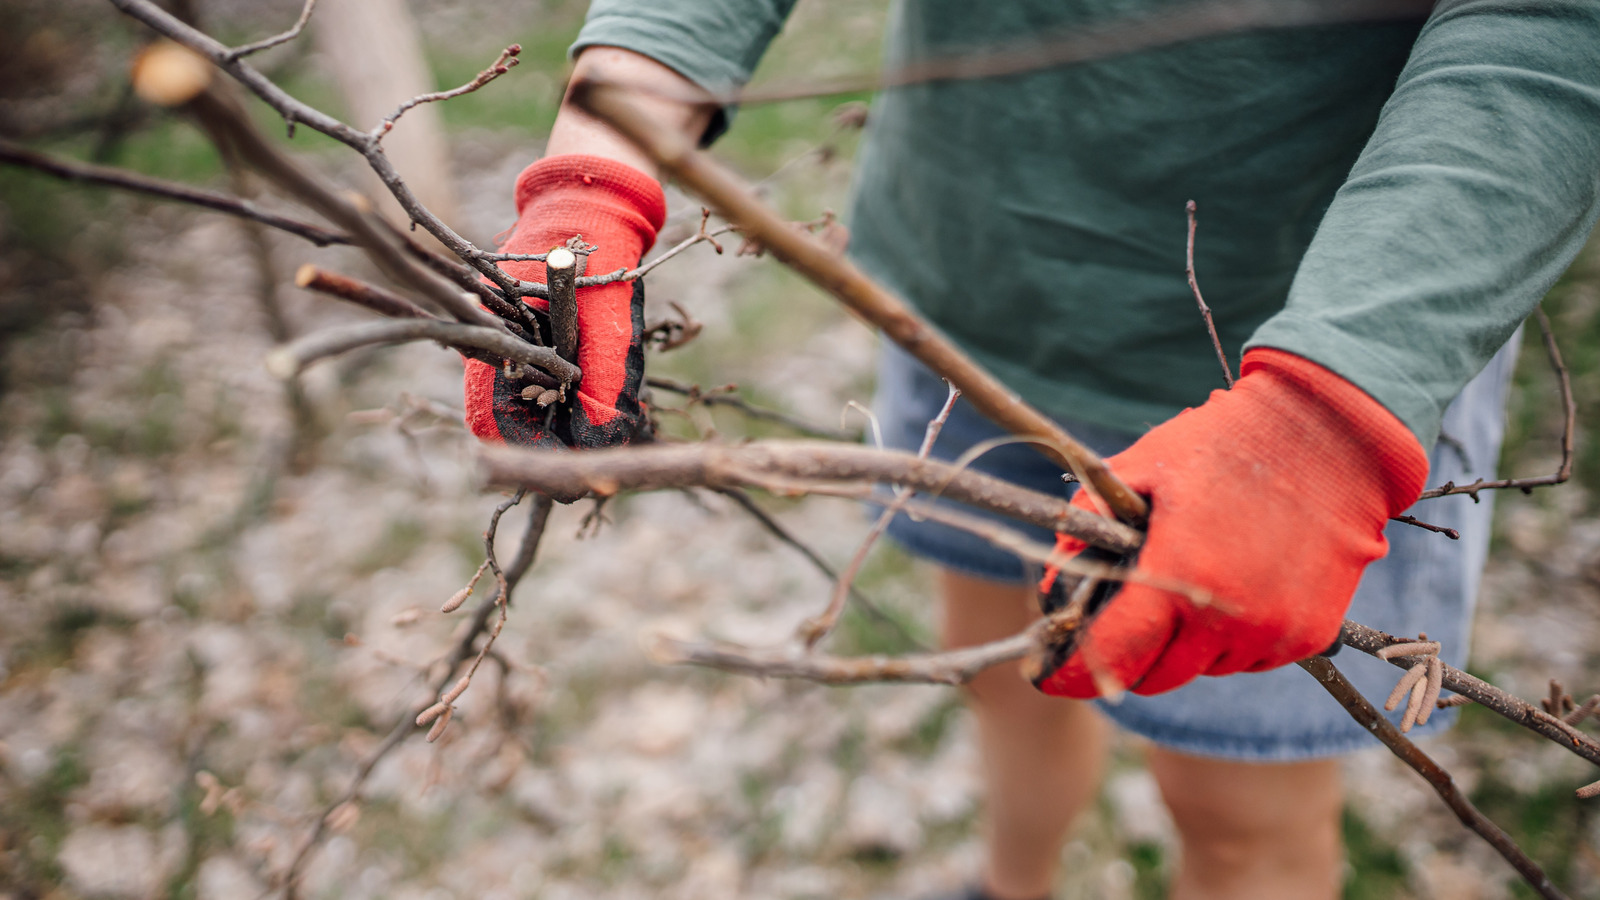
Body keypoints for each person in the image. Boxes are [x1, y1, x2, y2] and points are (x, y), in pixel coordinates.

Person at [463, 2, 1600, 897]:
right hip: (967, 298)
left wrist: (1329, 417)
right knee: (1007, 672)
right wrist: (592, 172)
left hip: (1309, 349)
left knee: (1240, 819)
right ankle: (1012, 888)